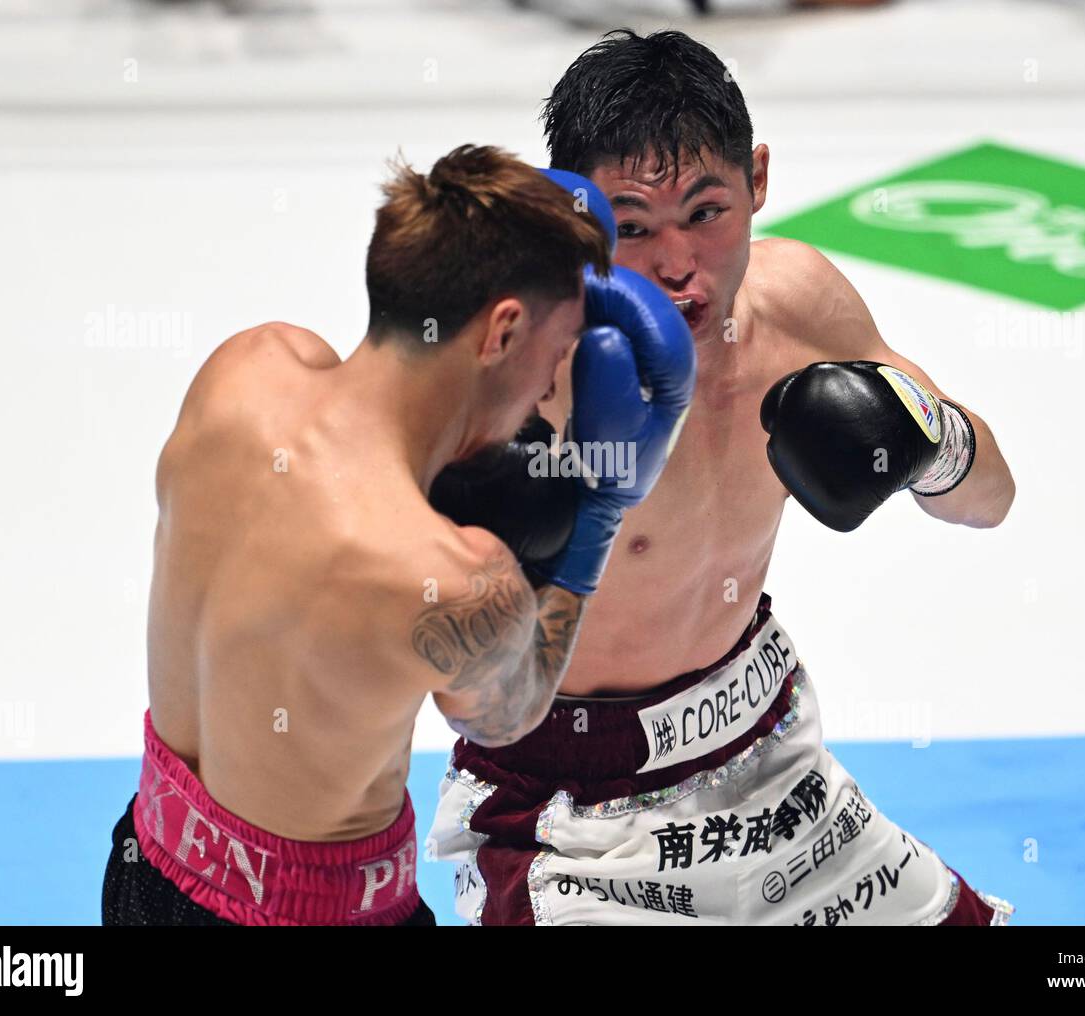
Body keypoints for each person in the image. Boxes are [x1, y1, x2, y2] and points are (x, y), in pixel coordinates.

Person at [427, 31, 1016, 926]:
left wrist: (926, 437)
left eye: (707, 211)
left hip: (775, 766)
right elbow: (465, 697)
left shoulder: (799, 304)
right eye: (631, 227)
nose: (676, 262)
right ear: (574, 217)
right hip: (572, 821)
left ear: (759, 181)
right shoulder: (519, 379)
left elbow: (992, 500)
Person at [101, 143, 695, 926]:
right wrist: (600, 515)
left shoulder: (244, 368)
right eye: (557, 353)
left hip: (147, 864)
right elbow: (506, 715)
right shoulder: (448, 575)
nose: (553, 386)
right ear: (502, 331)